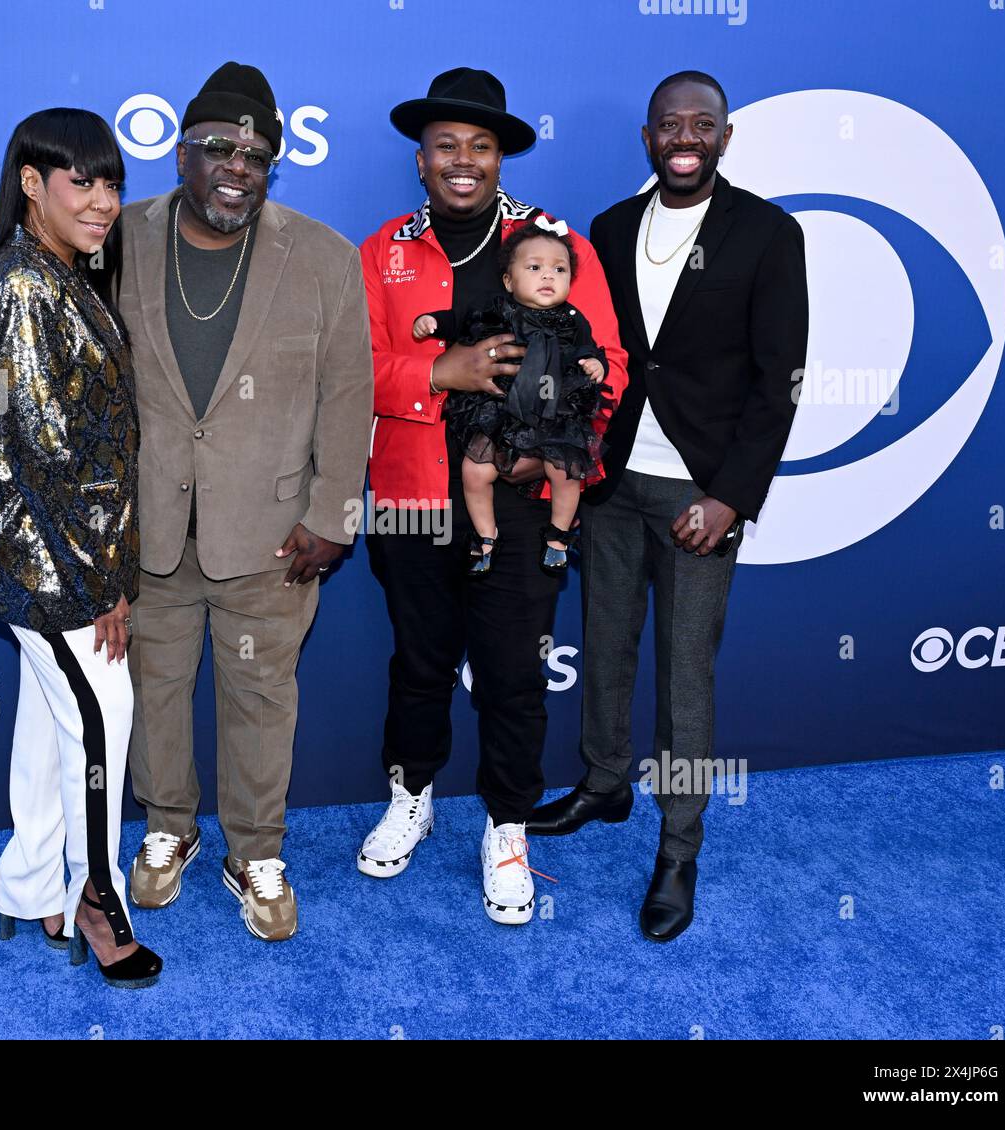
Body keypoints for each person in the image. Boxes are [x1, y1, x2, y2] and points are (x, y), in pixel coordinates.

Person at [529, 71, 809, 943]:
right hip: (609, 483)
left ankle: (678, 848)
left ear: (725, 137)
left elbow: (779, 383)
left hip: (699, 493)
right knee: (606, 647)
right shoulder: (611, 228)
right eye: (668, 124)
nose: (684, 136)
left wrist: (731, 496)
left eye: (703, 123)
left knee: (686, 682)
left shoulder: (767, 232)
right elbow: (596, 356)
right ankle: (605, 783)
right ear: (648, 138)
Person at [357, 68, 628, 925]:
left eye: (480, 145)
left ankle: (507, 827)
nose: (462, 160)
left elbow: (609, 369)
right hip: (411, 494)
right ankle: (413, 795)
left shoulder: (555, 242)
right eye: (446, 146)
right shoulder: (383, 250)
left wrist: (548, 453)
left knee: (513, 675)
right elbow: (349, 370)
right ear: (421, 158)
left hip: (523, 500)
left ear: (501, 155)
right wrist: (441, 371)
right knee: (420, 662)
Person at [114, 62, 373, 942]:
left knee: (263, 697)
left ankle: (255, 850)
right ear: (182, 152)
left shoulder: (326, 257)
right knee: (155, 689)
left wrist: (336, 518)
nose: (238, 166)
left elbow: (349, 398)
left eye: (257, 155)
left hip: (272, 534)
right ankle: (166, 830)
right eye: (220, 147)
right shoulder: (122, 238)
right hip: (148, 525)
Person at [0, 107, 162, 988]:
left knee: (49, 726)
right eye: (84, 180)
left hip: (41, 552)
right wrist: (103, 583)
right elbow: (47, 456)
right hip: (55, 563)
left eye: (113, 181)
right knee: (101, 730)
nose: (106, 200)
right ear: (32, 183)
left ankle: (29, 879)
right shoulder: (29, 286)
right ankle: (97, 902)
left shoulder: (55, 273)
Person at [416, 221, 609, 576]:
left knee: (565, 470)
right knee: (474, 470)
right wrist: (433, 322)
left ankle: (559, 537)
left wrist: (597, 363)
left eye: (559, 269)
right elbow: (460, 320)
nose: (548, 276)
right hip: (502, 416)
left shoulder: (571, 318)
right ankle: (486, 536)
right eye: (534, 268)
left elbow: (590, 348)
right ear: (509, 281)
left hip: (553, 417)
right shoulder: (497, 309)